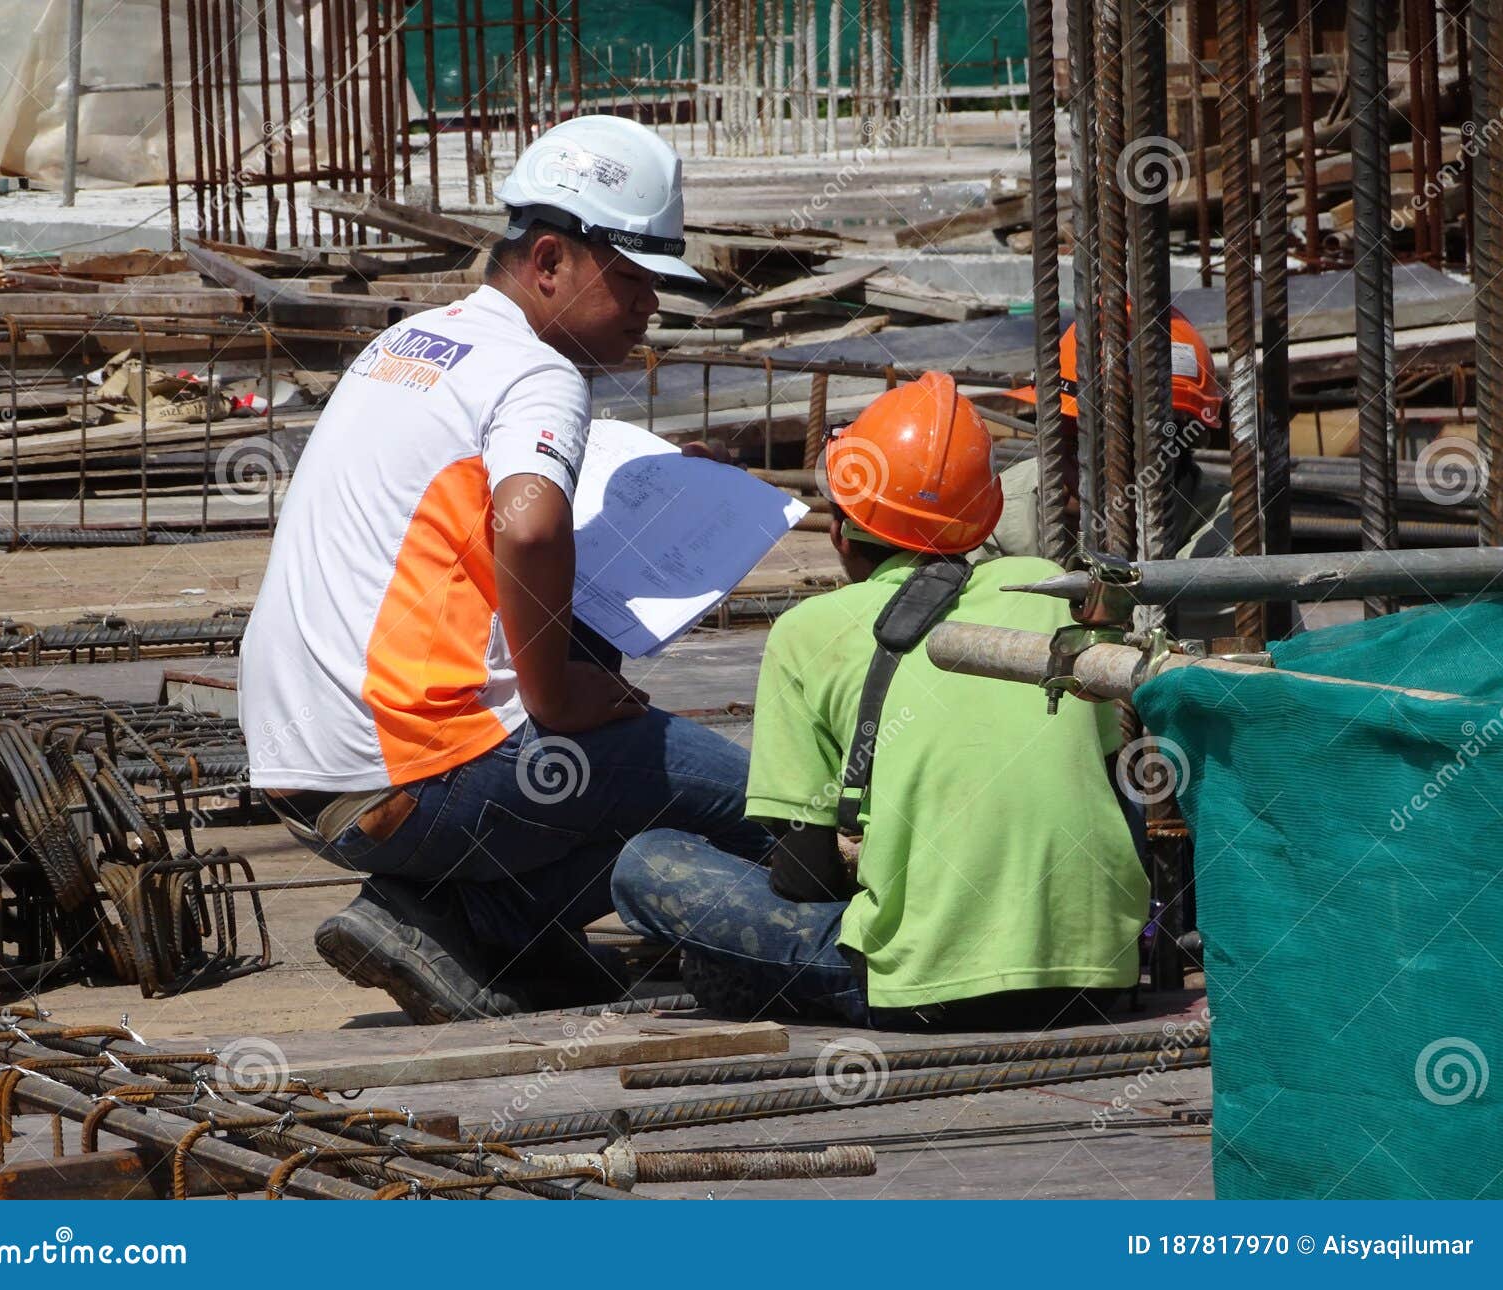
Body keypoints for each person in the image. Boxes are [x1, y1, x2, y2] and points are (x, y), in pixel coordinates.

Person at [237, 115, 772, 1023]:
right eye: (634, 281)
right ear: (552, 262)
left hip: (307, 771)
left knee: (615, 724)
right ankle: (490, 918)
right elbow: (528, 530)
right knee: (763, 807)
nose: (650, 308)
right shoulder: (536, 374)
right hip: (419, 771)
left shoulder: (409, 344)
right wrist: (557, 698)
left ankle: (452, 922)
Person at [610, 372, 1148, 1029]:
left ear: (841, 530)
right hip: (1098, 977)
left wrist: (853, 848)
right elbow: (1109, 785)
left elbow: (803, 880)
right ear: (985, 513)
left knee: (649, 863)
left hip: (925, 989)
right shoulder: (1044, 589)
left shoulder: (805, 632)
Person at [986, 306, 1231, 567]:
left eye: (1088, 452)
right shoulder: (998, 510)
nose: (1062, 471)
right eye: (1058, 444)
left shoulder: (1221, 531)